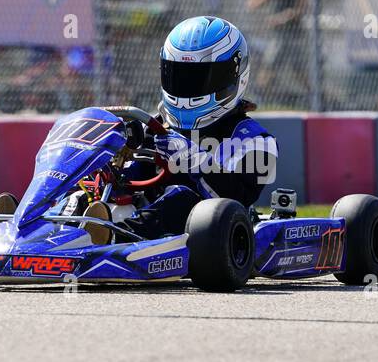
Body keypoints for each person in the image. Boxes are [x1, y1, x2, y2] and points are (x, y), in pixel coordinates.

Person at [110, 16, 278, 238]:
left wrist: (191, 157)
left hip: (211, 234)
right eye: (179, 76)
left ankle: (118, 237)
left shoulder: (256, 140)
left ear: (234, 75)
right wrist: (114, 162)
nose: (186, 87)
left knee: (181, 197)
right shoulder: (155, 127)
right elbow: (133, 179)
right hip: (143, 214)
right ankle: (68, 227)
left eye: (197, 78)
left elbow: (236, 198)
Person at [245, 0, 310, 104]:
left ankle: (260, 100)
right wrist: (256, 0)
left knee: (276, 65)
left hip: (292, 32)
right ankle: (313, 96)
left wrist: (282, 17)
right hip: (280, 33)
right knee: (286, 67)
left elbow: (302, 6)